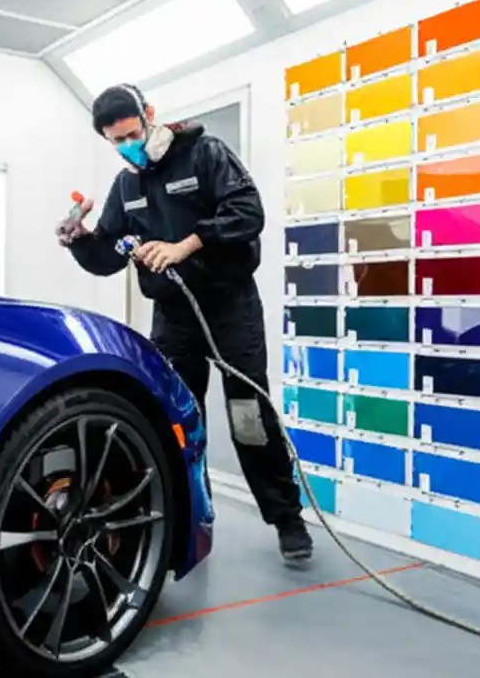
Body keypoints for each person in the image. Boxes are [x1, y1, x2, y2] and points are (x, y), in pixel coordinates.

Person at [57, 83, 313, 565]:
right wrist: (80, 241)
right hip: (174, 316)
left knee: (248, 417)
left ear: (149, 116)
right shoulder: (126, 186)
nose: (128, 146)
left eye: (132, 134)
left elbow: (247, 213)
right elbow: (110, 255)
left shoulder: (205, 154)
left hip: (229, 306)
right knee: (177, 421)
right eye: (117, 141)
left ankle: (287, 520)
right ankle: (192, 520)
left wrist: (187, 243)